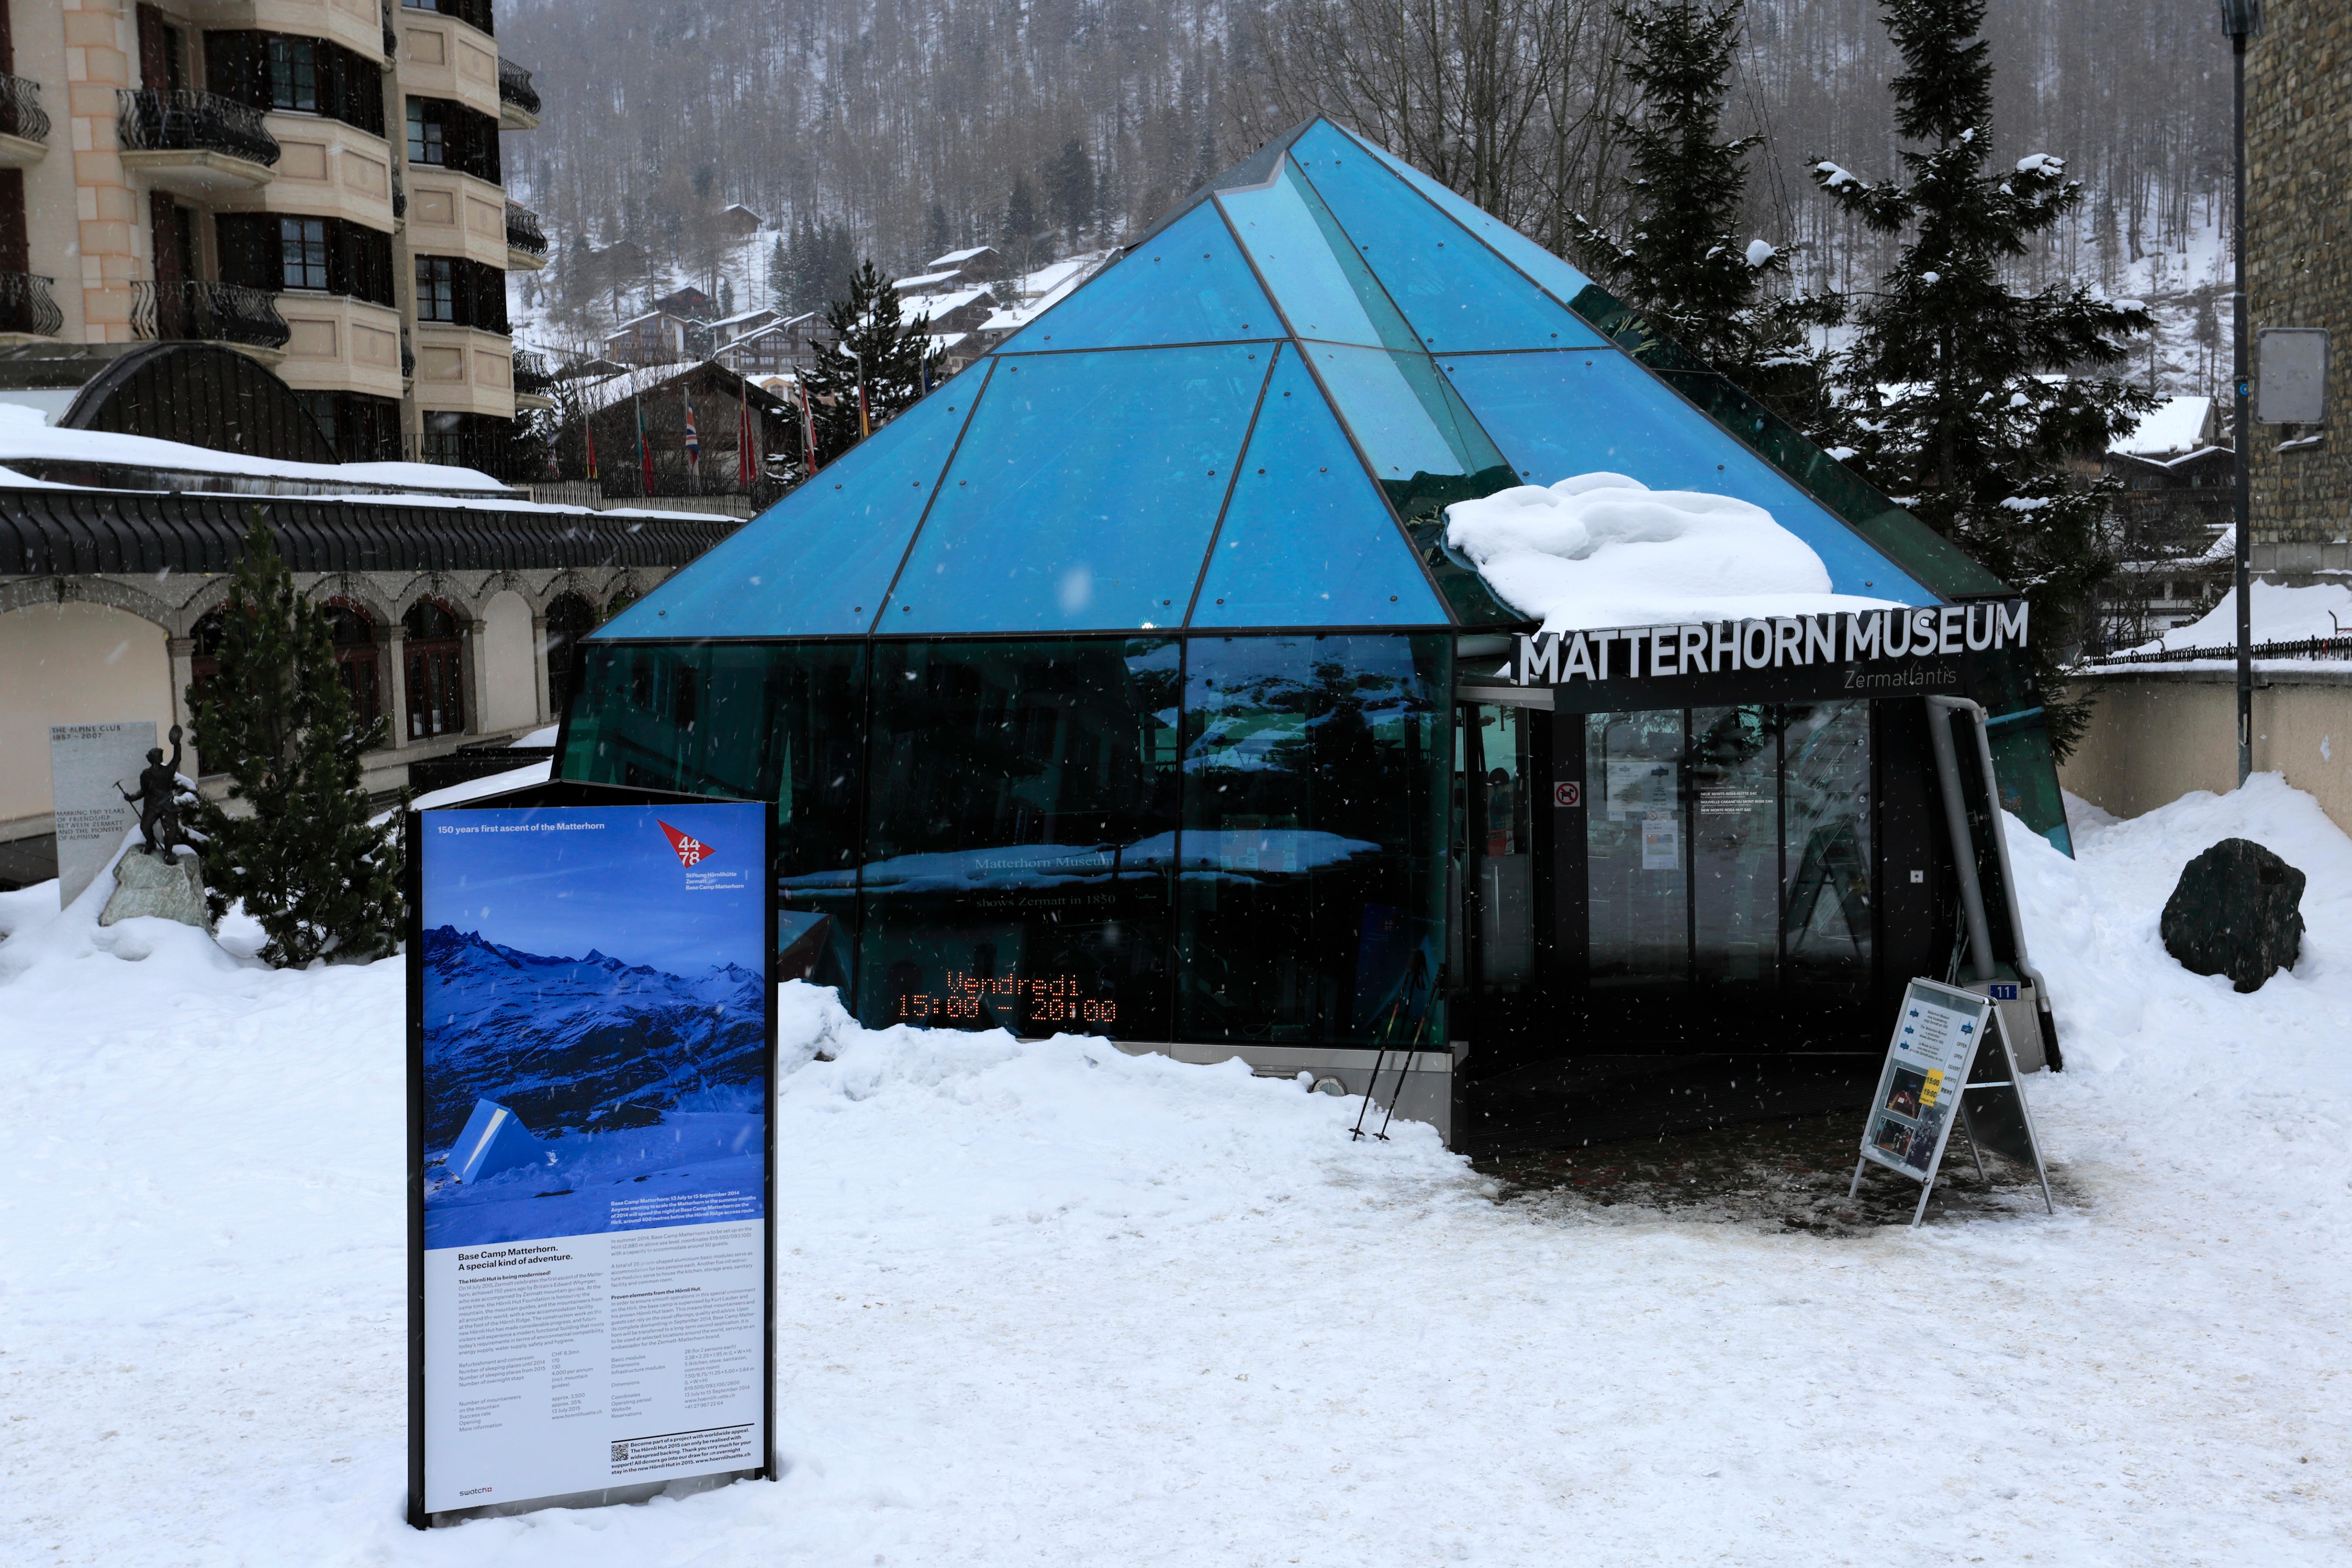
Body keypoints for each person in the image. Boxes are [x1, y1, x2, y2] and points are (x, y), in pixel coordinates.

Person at [116, 725, 196, 860]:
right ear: (152, 759)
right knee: (145, 827)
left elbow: (177, 759)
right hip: (152, 806)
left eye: (160, 755)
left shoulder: (168, 771)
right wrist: (132, 797)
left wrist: (177, 744)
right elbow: (143, 791)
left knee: (171, 832)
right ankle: (151, 842)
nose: (160, 757)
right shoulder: (146, 774)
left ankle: (168, 853)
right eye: (158, 755)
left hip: (166, 806)